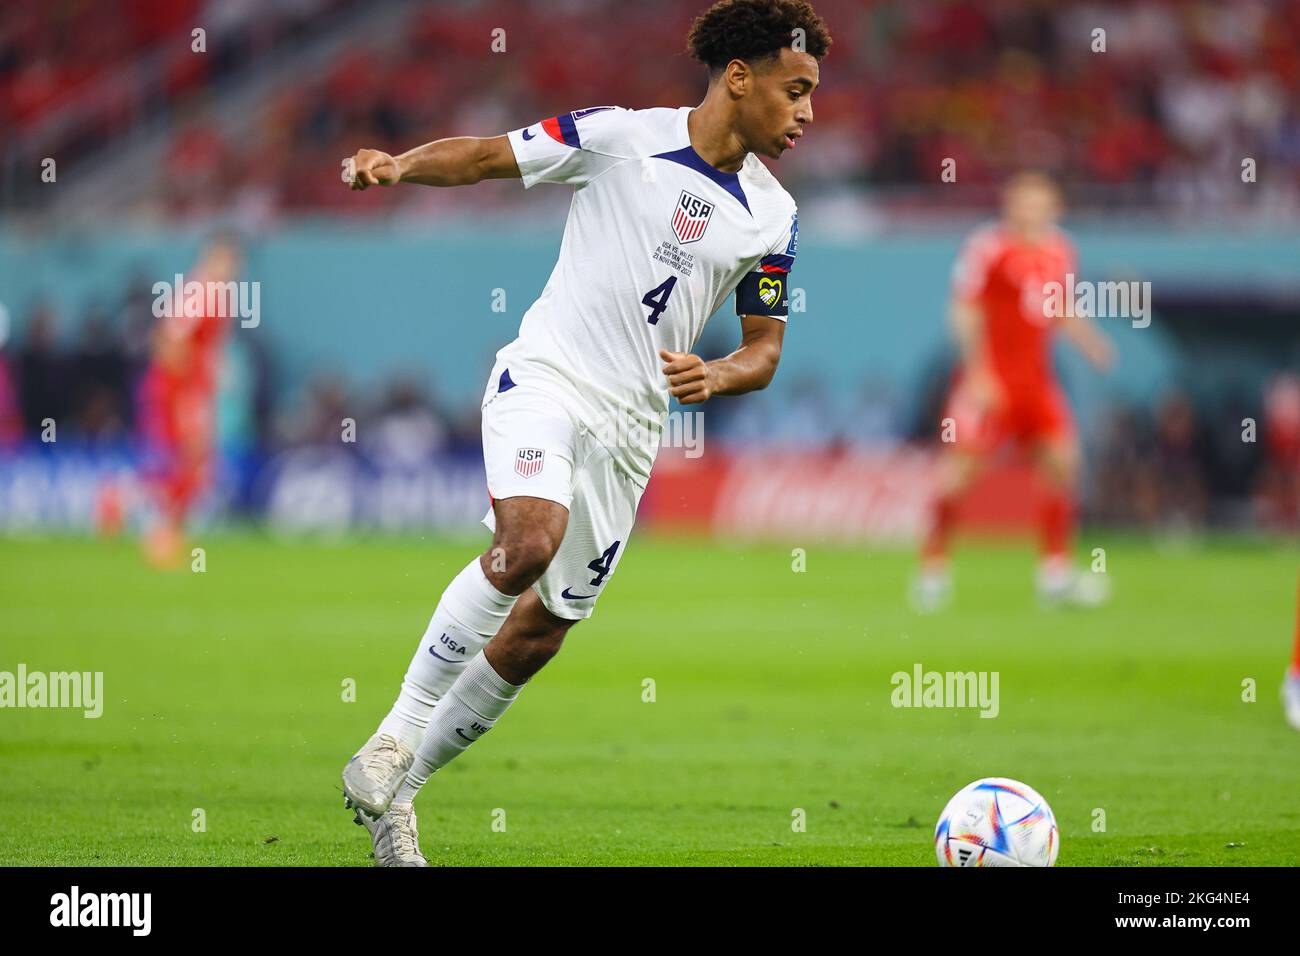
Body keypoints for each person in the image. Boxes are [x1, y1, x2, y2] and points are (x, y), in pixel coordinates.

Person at [338, 0, 829, 866]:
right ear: (740, 78)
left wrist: (714, 374)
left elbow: (765, 351)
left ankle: (399, 796)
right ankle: (390, 738)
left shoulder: (774, 216)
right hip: (549, 379)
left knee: (546, 625)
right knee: (529, 540)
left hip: (634, 431)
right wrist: (399, 166)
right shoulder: (618, 136)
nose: (807, 114)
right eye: (795, 91)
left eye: (812, 96)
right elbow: (490, 156)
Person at [912, 171, 1115, 611]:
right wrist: (979, 373)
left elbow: (1060, 306)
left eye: (1039, 202)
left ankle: (1055, 574)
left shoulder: (1060, 249)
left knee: (1064, 465)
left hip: (1036, 383)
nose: (1029, 209)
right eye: (1023, 201)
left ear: (1054, 207)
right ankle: (932, 569)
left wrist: (1092, 343)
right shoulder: (988, 247)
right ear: (1010, 205)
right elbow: (963, 311)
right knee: (958, 476)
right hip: (990, 382)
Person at [136, 237, 242, 567]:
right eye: (227, 262)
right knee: (190, 462)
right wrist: (188, 387)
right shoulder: (201, 291)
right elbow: (167, 341)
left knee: (195, 464)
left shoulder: (215, 293)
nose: (232, 271)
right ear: (212, 259)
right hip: (178, 391)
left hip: (188, 389)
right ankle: (155, 530)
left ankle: (165, 533)